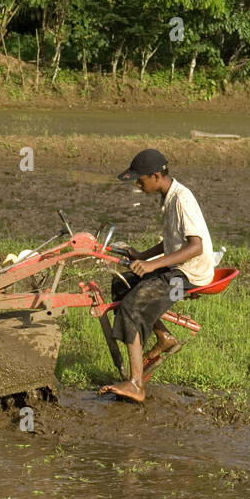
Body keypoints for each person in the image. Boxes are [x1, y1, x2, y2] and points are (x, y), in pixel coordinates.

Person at [100, 149, 213, 402]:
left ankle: (136, 384)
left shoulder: (182, 199)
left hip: (189, 274)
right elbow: (173, 241)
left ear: (155, 175)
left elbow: (195, 246)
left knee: (132, 306)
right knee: (122, 285)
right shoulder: (168, 196)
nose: (138, 186)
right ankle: (164, 337)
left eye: (140, 180)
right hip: (178, 266)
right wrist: (142, 256)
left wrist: (152, 266)